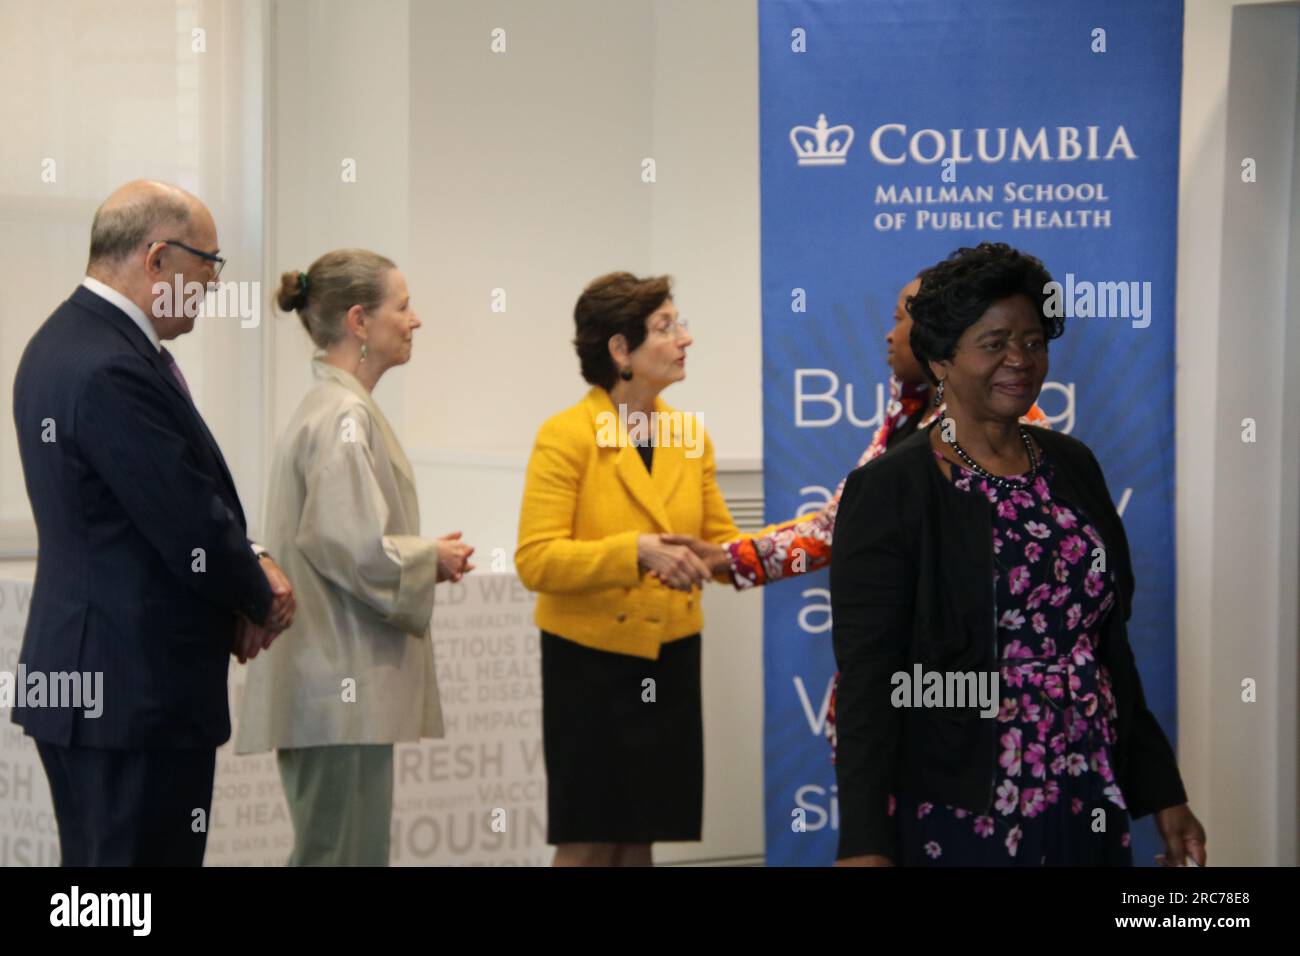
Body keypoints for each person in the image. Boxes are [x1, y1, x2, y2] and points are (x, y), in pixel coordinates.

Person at [830, 242, 1206, 866]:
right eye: (995, 341)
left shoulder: (1072, 464)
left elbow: (1107, 645)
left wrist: (1162, 790)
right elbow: (870, 680)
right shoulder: (892, 487)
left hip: (1088, 783)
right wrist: (864, 844)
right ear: (943, 358)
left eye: (1034, 341)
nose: (1020, 360)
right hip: (964, 799)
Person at [11, 180, 295, 866]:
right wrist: (262, 593)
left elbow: (165, 503)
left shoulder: (66, 341)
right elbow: (186, 521)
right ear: (159, 260)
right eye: (209, 268)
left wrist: (248, 560)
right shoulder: (110, 364)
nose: (212, 288)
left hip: (106, 685)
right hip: (129, 692)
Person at [667, 276, 1048, 757]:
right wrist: (728, 557)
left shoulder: (1011, 431)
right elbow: (838, 528)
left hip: (970, 714)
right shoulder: (909, 417)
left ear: (939, 333)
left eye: (899, 321)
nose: (890, 336)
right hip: (890, 689)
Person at [235, 249, 474, 866]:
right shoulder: (342, 414)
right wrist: (431, 558)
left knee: (340, 853)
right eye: (404, 305)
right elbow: (350, 544)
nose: (415, 320)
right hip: (339, 681)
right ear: (361, 321)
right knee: (340, 856)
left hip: (336, 683)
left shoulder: (336, 408)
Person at [515, 271, 740, 866]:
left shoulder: (690, 437)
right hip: (588, 664)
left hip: (671, 655)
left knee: (642, 837)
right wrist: (634, 551)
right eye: (666, 327)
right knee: (588, 840)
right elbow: (536, 560)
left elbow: (721, 547)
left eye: (678, 323)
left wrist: (806, 535)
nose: (684, 338)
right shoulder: (564, 436)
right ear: (620, 350)